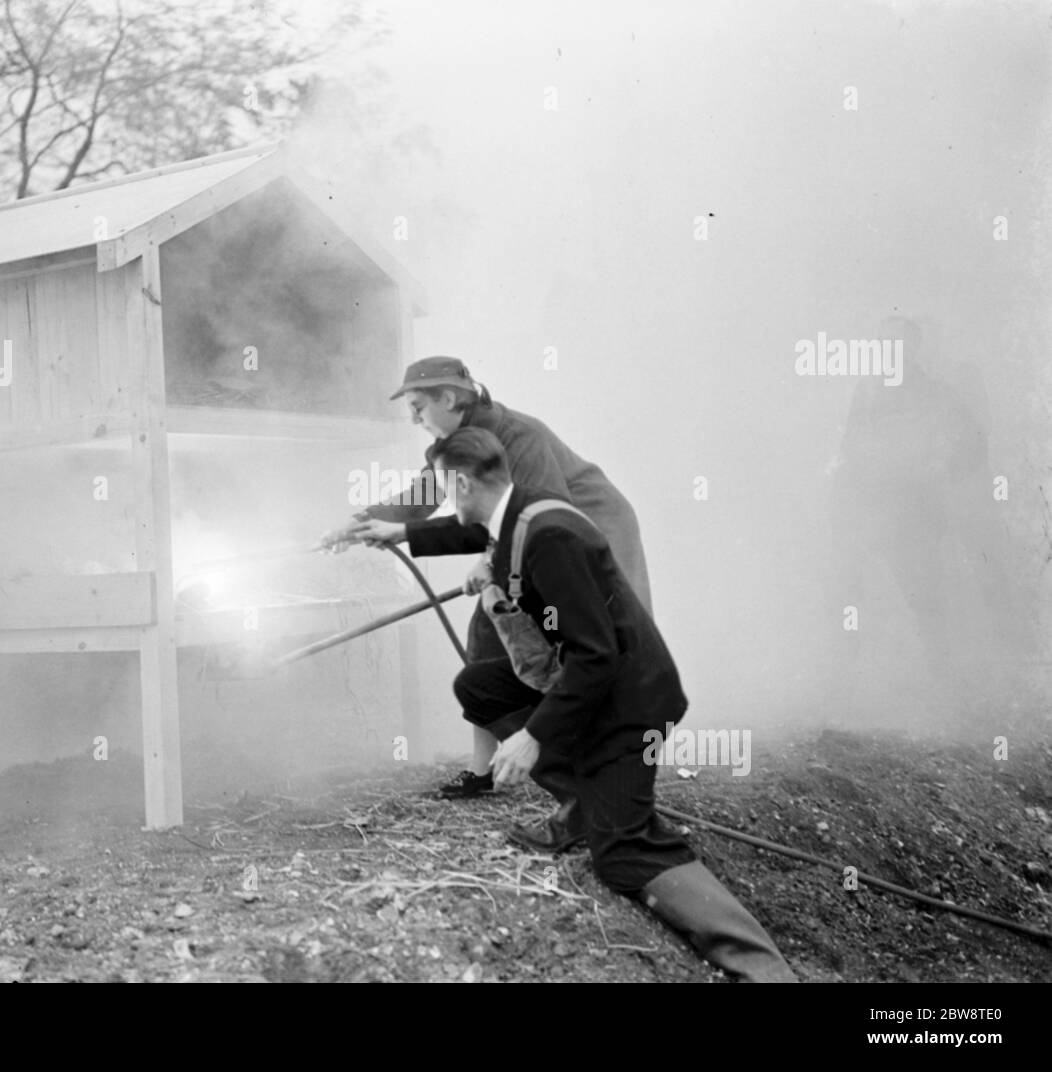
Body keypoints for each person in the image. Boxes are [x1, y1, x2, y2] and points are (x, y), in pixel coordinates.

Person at [408, 425, 797, 982]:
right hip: (595, 685)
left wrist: (533, 735)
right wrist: (454, 559)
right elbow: (499, 561)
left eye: (447, 490)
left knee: (623, 851)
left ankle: (765, 970)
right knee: (480, 686)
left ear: (464, 484)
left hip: (628, 702)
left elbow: (597, 657)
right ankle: (584, 800)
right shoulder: (523, 513)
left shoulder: (548, 538)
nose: (448, 501)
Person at [325, 355, 652, 805]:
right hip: (534, 535)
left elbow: (543, 518)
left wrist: (450, 547)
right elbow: (424, 498)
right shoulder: (455, 443)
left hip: (591, 530)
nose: (413, 417)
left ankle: (601, 768)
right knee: (488, 630)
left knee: (582, 644)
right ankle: (483, 772)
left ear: (449, 397)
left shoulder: (520, 438)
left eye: (418, 405)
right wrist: (364, 520)